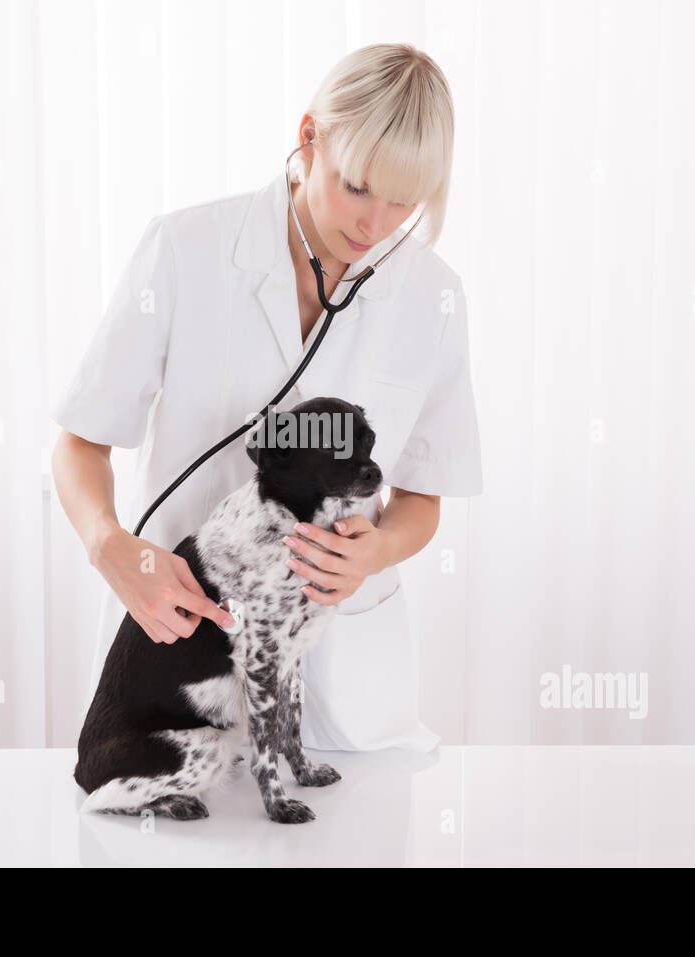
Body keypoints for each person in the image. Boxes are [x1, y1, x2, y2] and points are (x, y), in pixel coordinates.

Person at [50, 43, 482, 752]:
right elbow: (81, 438)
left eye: (404, 200)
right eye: (356, 185)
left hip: (348, 703)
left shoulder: (433, 297)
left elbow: (423, 496)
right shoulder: (184, 250)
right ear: (309, 136)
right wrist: (109, 546)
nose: (374, 224)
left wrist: (376, 551)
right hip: (184, 660)